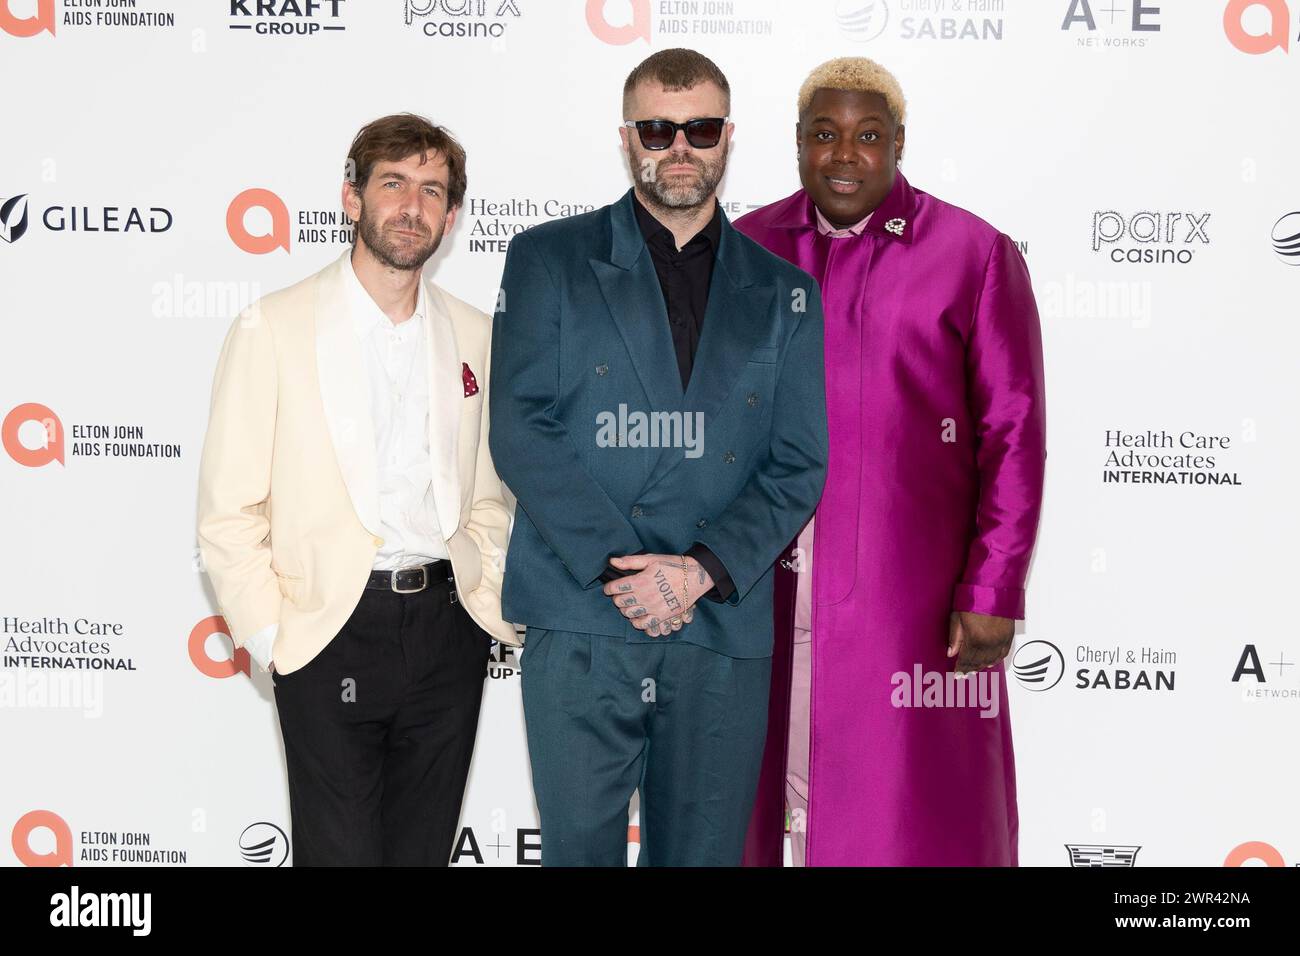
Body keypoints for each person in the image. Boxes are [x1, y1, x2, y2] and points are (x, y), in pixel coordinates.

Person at [489, 48, 828, 866]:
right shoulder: (549, 259)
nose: (680, 146)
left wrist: (698, 570)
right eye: (658, 128)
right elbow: (519, 428)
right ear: (627, 138)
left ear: (729, 138)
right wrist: (625, 571)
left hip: (718, 621)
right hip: (582, 620)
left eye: (700, 127)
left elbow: (797, 461)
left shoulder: (785, 290)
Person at [736, 57, 1047, 866]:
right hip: (759, 593)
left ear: (901, 143)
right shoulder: (747, 248)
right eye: (825, 135)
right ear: (797, 144)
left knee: (909, 813)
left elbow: (1011, 431)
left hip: (908, 604)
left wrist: (992, 587)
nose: (845, 156)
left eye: (869, 136)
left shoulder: (973, 254)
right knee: (752, 808)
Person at [197, 113, 517, 866]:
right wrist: (277, 640)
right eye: (393, 184)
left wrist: (482, 585)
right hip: (327, 631)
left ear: (451, 213)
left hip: (447, 630)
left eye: (432, 190)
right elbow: (228, 509)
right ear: (351, 198)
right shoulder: (272, 326)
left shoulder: (475, 335)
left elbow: (486, 496)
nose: (412, 206)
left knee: (422, 853)